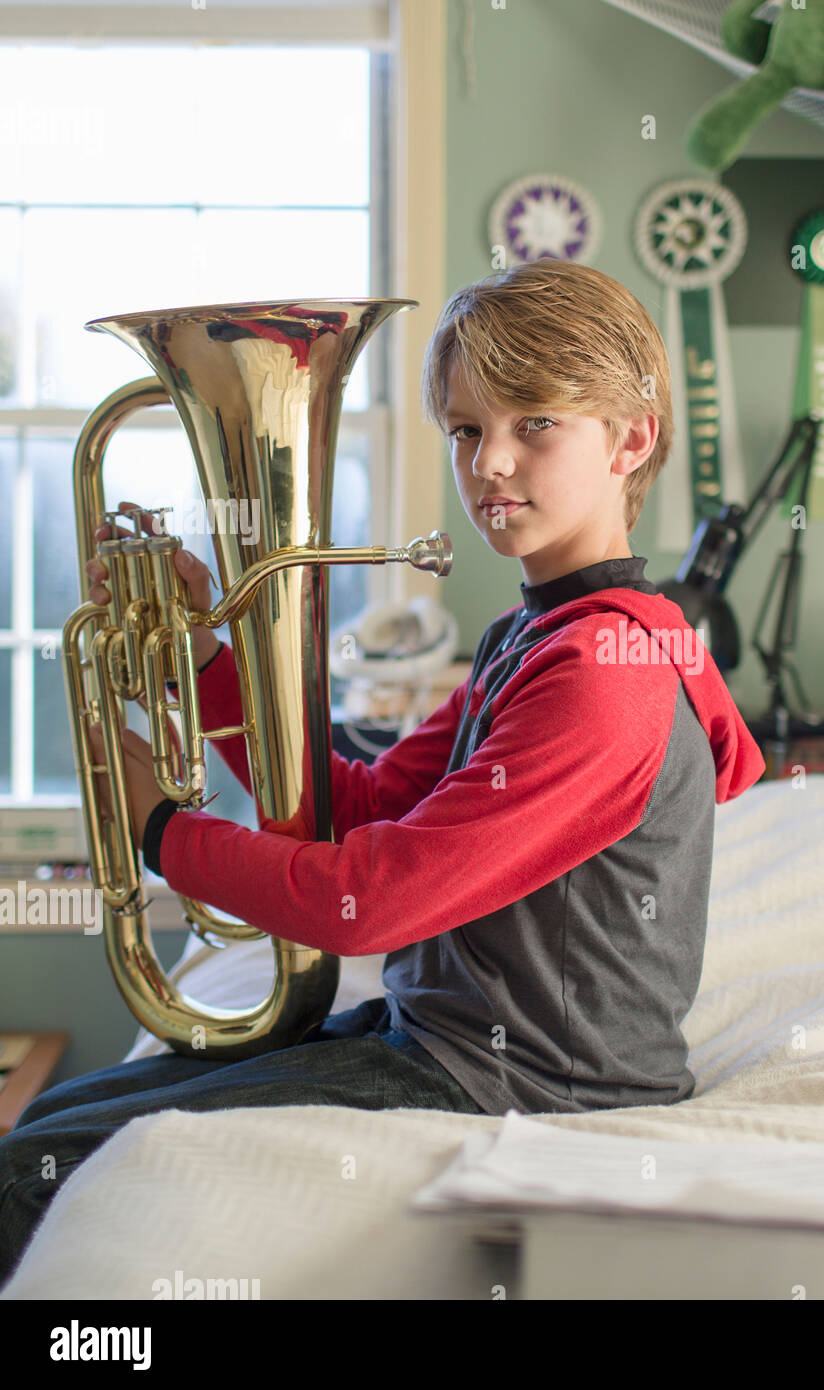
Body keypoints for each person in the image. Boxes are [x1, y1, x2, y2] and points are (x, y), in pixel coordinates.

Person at [0, 258, 766, 1284]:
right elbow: (358, 808)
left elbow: (369, 902)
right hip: (447, 1046)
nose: (490, 462)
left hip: (524, 1091)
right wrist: (208, 662)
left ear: (631, 438)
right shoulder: (536, 636)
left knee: (30, 1176)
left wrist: (159, 835)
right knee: (54, 1116)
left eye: (534, 422)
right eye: (464, 428)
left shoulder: (603, 674)